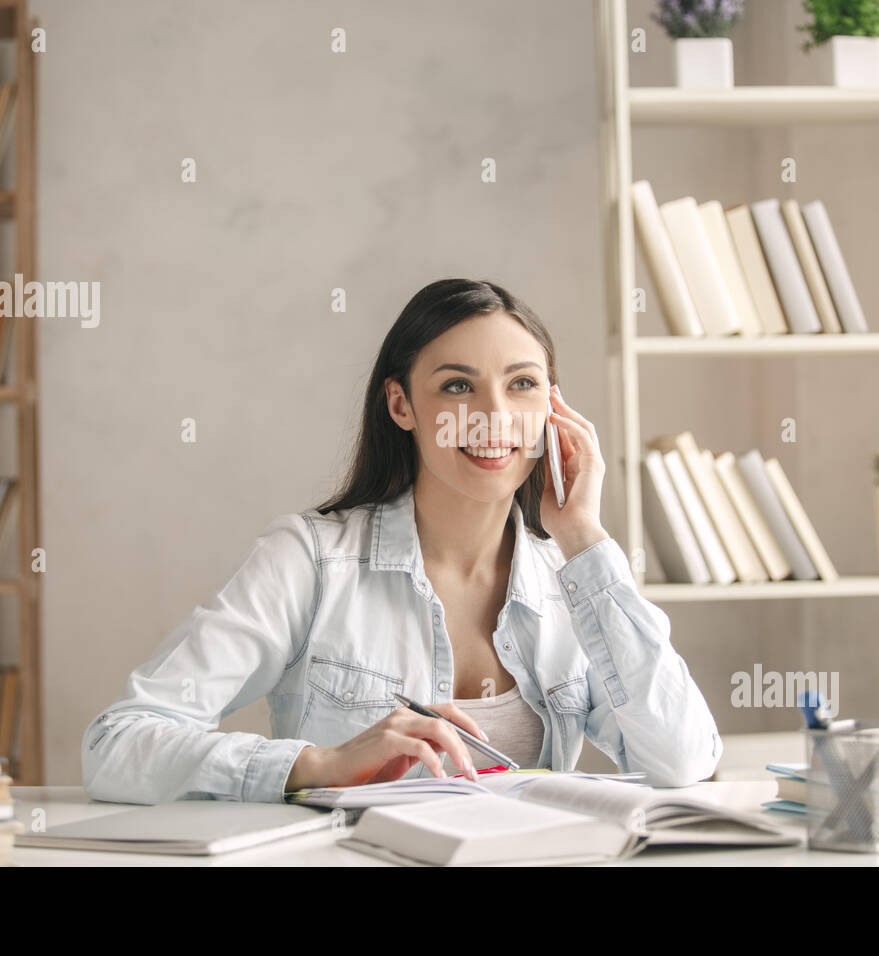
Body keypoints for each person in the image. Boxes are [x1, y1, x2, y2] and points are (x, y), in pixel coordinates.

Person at [82, 278, 722, 804]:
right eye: (457, 385)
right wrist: (321, 763)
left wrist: (583, 537)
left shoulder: (571, 580)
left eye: (521, 384)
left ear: (554, 409)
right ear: (401, 405)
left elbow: (683, 759)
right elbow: (117, 744)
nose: (495, 416)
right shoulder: (309, 560)